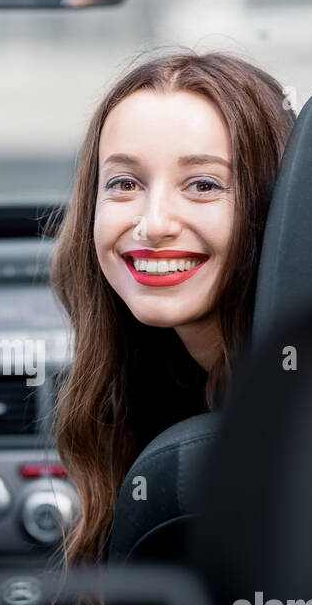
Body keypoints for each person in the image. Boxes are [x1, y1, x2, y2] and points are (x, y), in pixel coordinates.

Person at [50, 52, 295, 567]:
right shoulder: (158, 387)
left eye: (203, 185)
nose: (154, 223)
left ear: (277, 206)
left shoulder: (301, 418)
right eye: (124, 184)